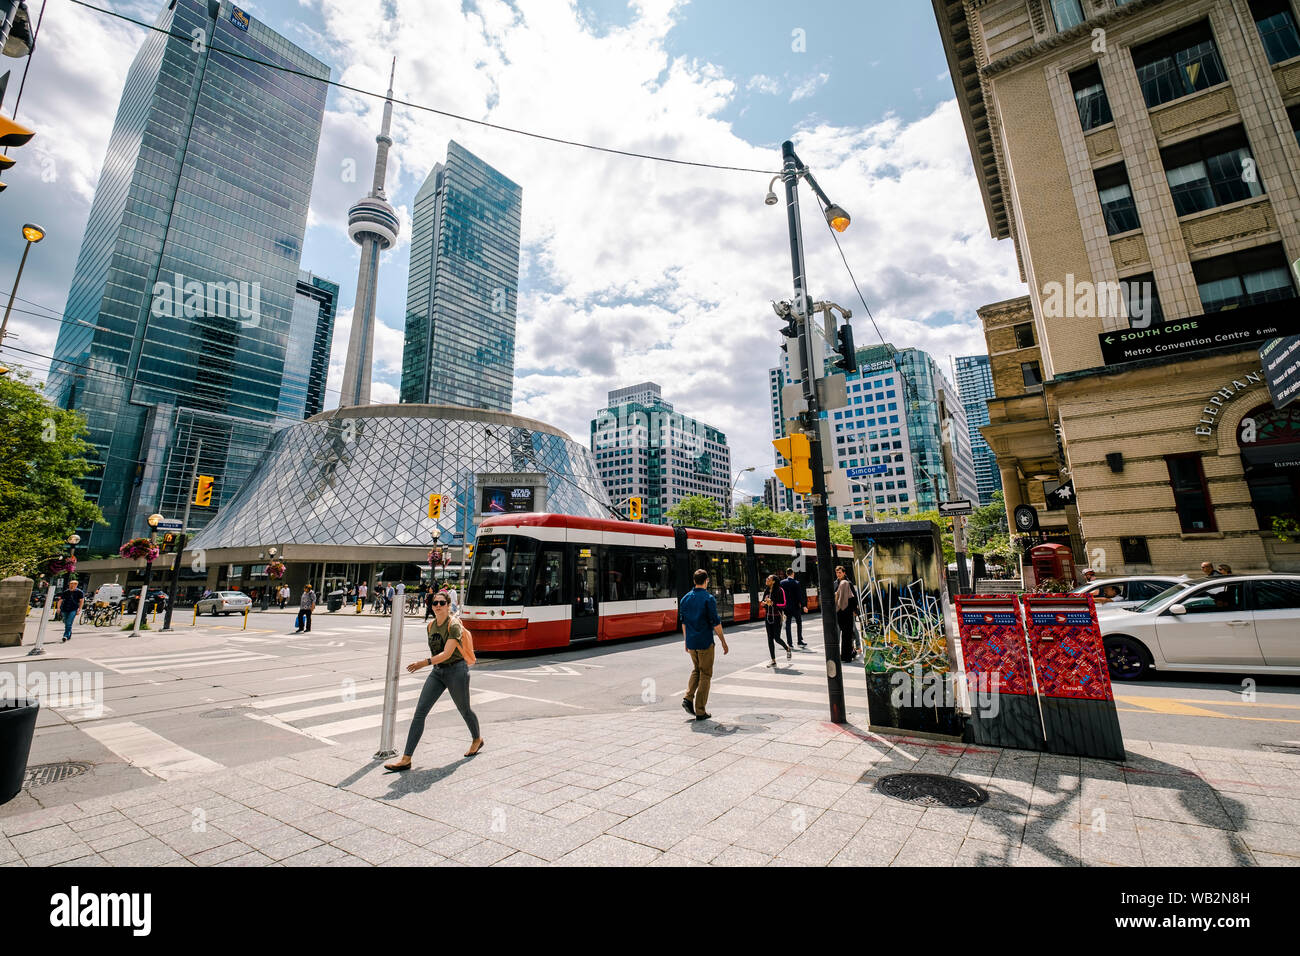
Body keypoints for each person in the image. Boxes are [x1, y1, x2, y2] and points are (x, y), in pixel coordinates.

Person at [384, 590, 484, 770]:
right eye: (435, 603)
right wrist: (431, 664)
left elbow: (446, 653)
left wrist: (424, 663)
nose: (438, 606)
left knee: (464, 709)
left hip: (456, 670)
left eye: (441, 603)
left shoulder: (454, 625)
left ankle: (477, 738)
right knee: (420, 713)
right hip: (438, 672)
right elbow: (436, 651)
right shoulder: (430, 626)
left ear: (448, 605)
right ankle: (406, 758)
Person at [680, 569, 728, 721]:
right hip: (705, 642)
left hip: (692, 642)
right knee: (706, 674)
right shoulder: (709, 598)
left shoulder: (685, 598)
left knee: (696, 670)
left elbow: (684, 623)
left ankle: (688, 697)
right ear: (706, 580)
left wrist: (686, 640)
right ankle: (700, 710)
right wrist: (723, 641)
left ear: (694, 581)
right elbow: (716, 623)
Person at [762, 574, 791, 667]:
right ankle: (773, 660)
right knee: (769, 639)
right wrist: (764, 603)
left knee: (777, 638)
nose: (767, 579)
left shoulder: (780, 590)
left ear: (773, 581)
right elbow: (763, 602)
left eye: (769, 578)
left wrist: (773, 603)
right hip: (768, 617)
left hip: (777, 617)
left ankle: (787, 648)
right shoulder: (766, 590)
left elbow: (784, 604)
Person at [779, 568, 808, 648]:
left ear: (786, 573)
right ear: (793, 574)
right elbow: (799, 596)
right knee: (799, 623)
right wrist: (804, 606)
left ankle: (790, 643)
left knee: (788, 625)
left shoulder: (782, 583)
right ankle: (799, 641)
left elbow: (780, 595)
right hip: (795, 607)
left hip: (786, 607)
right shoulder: (796, 583)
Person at [834, 565, 858, 664]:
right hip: (839, 612)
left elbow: (853, 598)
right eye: (837, 572)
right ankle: (846, 654)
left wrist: (854, 610)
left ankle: (848, 654)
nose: (838, 574)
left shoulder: (849, 583)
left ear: (844, 573)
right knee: (845, 634)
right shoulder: (835, 583)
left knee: (848, 634)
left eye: (840, 572)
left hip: (846, 612)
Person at [59, 579, 85, 643]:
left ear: (76, 585)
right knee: (66, 622)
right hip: (64, 609)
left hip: (73, 609)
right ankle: (69, 632)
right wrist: (58, 608)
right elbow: (60, 600)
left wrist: (79, 609)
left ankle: (65, 636)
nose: (72, 586)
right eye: (71, 584)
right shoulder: (66, 592)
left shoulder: (79, 592)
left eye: (73, 584)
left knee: (68, 623)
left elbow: (81, 601)